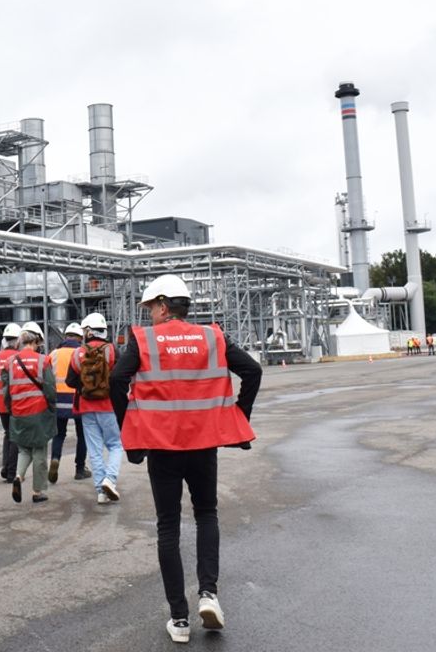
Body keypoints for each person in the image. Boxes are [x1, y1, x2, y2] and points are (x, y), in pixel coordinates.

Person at [110, 274, 261, 644]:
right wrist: (238, 414)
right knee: (207, 514)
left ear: (163, 305)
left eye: (149, 308)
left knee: (168, 527)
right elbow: (253, 371)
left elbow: (117, 380)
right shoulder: (213, 336)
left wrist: (130, 428)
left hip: (162, 448)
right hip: (203, 444)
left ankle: (179, 620)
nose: (148, 316)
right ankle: (208, 594)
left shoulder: (143, 341)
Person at [67, 311, 123, 505]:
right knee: (115, 445)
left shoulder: (78, 353)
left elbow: (70, 381)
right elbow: (121, 377)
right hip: (109, 406)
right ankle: (110, 479)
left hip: (86, 408)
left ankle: (101, 490)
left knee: (94, 449)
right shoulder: (113, 350)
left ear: (89, 331)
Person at [3, 321, 57, 504]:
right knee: (39, 451)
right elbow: (50, 388)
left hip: (18, 413)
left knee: (24, 450)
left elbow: (6, 392)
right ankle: (38, 491)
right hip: (38, 412)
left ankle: (18, 476)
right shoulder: (43, 360)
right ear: (37, 341)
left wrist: (11, 411)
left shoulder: (10, 363)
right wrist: (52, 407)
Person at [47, 322, 90, 483]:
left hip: (58, 400)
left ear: (66, 337)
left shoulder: (54, 354)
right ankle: (80, 469)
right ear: (80, 337)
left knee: (59, 434)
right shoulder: (83, 352)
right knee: (82, 435)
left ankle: (55, 459)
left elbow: (47, 377)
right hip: (78, 400)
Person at [0, 323, 23, 482]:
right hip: (15, 403)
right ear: (17, 341)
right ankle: (11, 472)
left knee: (8, 434)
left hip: (0, 403)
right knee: (15, 436)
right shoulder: (18, 357)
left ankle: (5, 467)